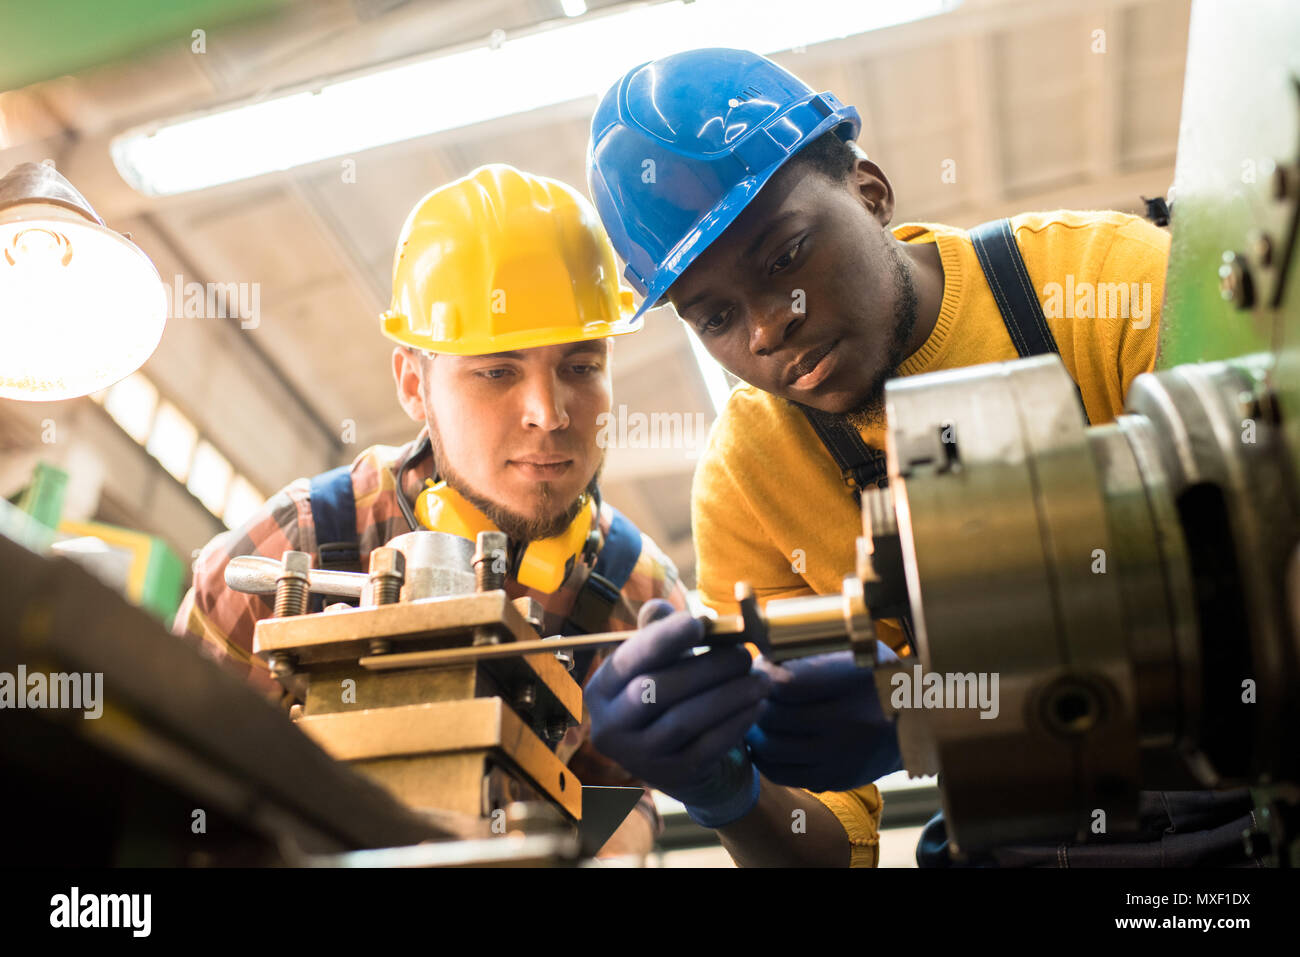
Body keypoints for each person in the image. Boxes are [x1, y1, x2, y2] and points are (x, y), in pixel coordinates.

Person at [582, 48, 1256, 866]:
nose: (766, 328)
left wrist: (936, 703)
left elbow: (1263, 588)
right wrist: (729, 792)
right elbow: (837, 852)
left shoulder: (1105, 284)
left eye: (785, 256)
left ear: (870, 193)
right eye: (715, 316)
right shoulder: (748, 481)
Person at [173, 164, 689, 856]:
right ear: (414, 384)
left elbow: (619, 804)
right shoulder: (282, 553)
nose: (549, 412)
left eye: (581, 365)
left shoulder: (641, 597)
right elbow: (163, 798)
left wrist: (624, 828)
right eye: (497, 370)